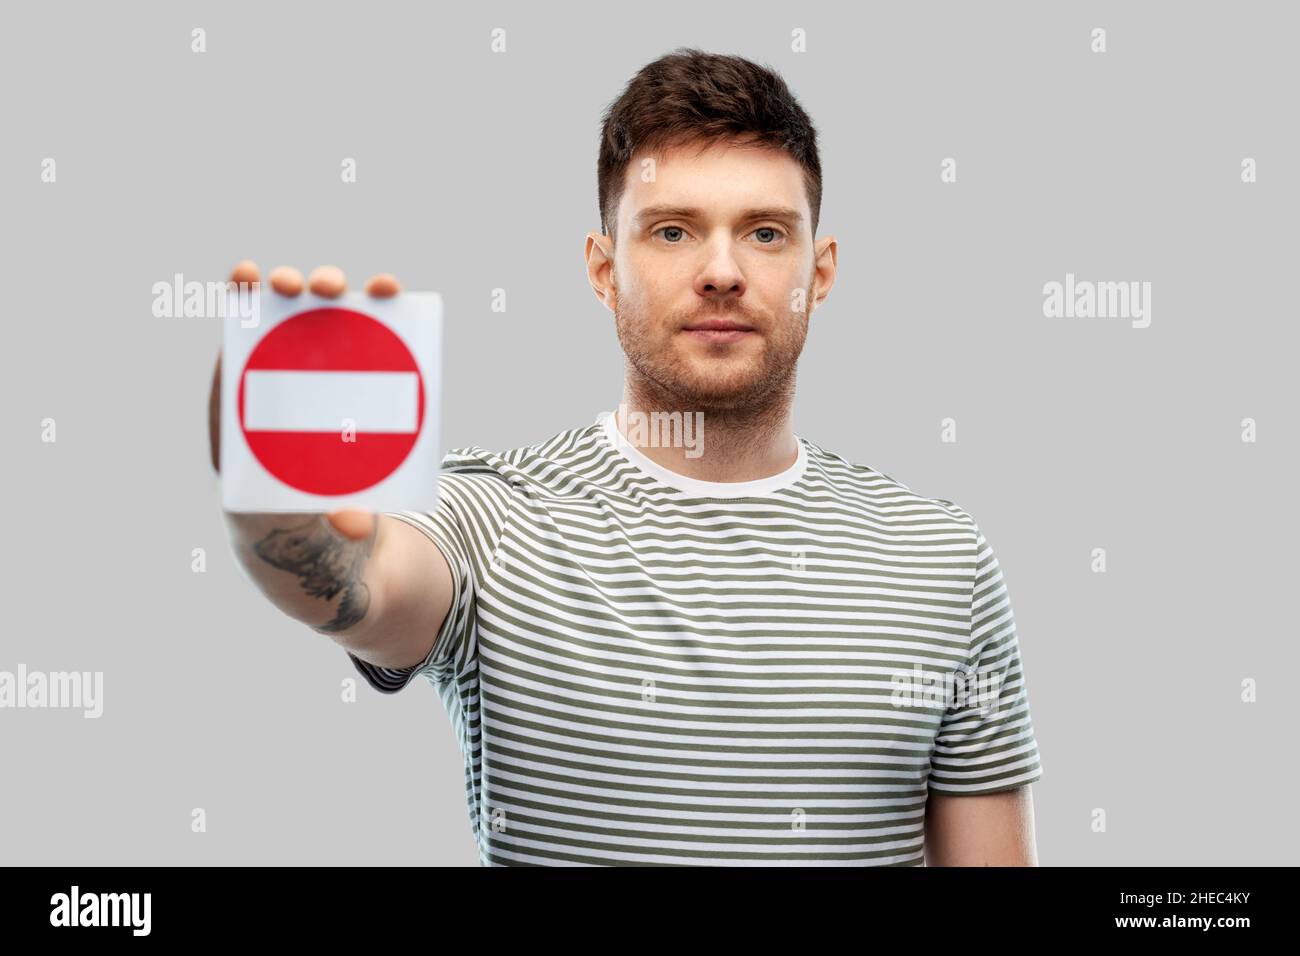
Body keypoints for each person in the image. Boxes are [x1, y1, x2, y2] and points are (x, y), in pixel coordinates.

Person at [208, 48, 1041, 866]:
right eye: (673, 231)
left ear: (818, 273)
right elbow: (357, 582)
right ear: (604, 271)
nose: (722, 272)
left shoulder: (942, 560)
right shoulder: (494, 519)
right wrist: (274, 496)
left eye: (764, 232)